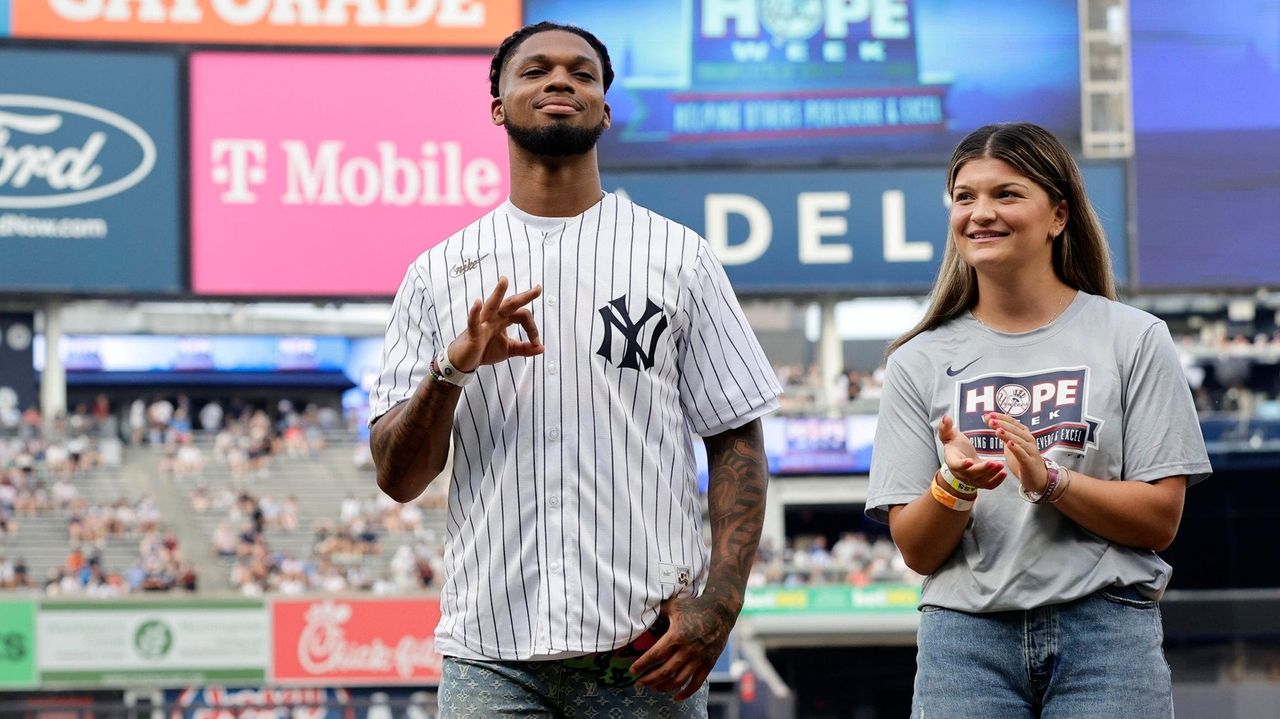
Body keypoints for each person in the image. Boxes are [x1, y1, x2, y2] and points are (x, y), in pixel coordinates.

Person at [368, 21, 780, 717]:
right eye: (535, 70)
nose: (561, 80)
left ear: (605, 110)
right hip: (490, 653)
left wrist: (721, 601)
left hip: (645, 652)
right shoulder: (437, 273)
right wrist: (452, 367)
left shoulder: (678, 257)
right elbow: (397, 476)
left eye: (582, 73)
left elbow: (736, 443)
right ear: (497, 105)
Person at [866, 122, 1212, 718]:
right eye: (965, 196)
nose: (980, 213)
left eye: (1006, 194)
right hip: (965, 643)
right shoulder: (916, 360)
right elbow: (918, 552)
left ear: (1058, 215)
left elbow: (1160, 519)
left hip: (1106, 635)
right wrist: (956, 486)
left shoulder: (1134, 338)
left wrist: (1049, 481)